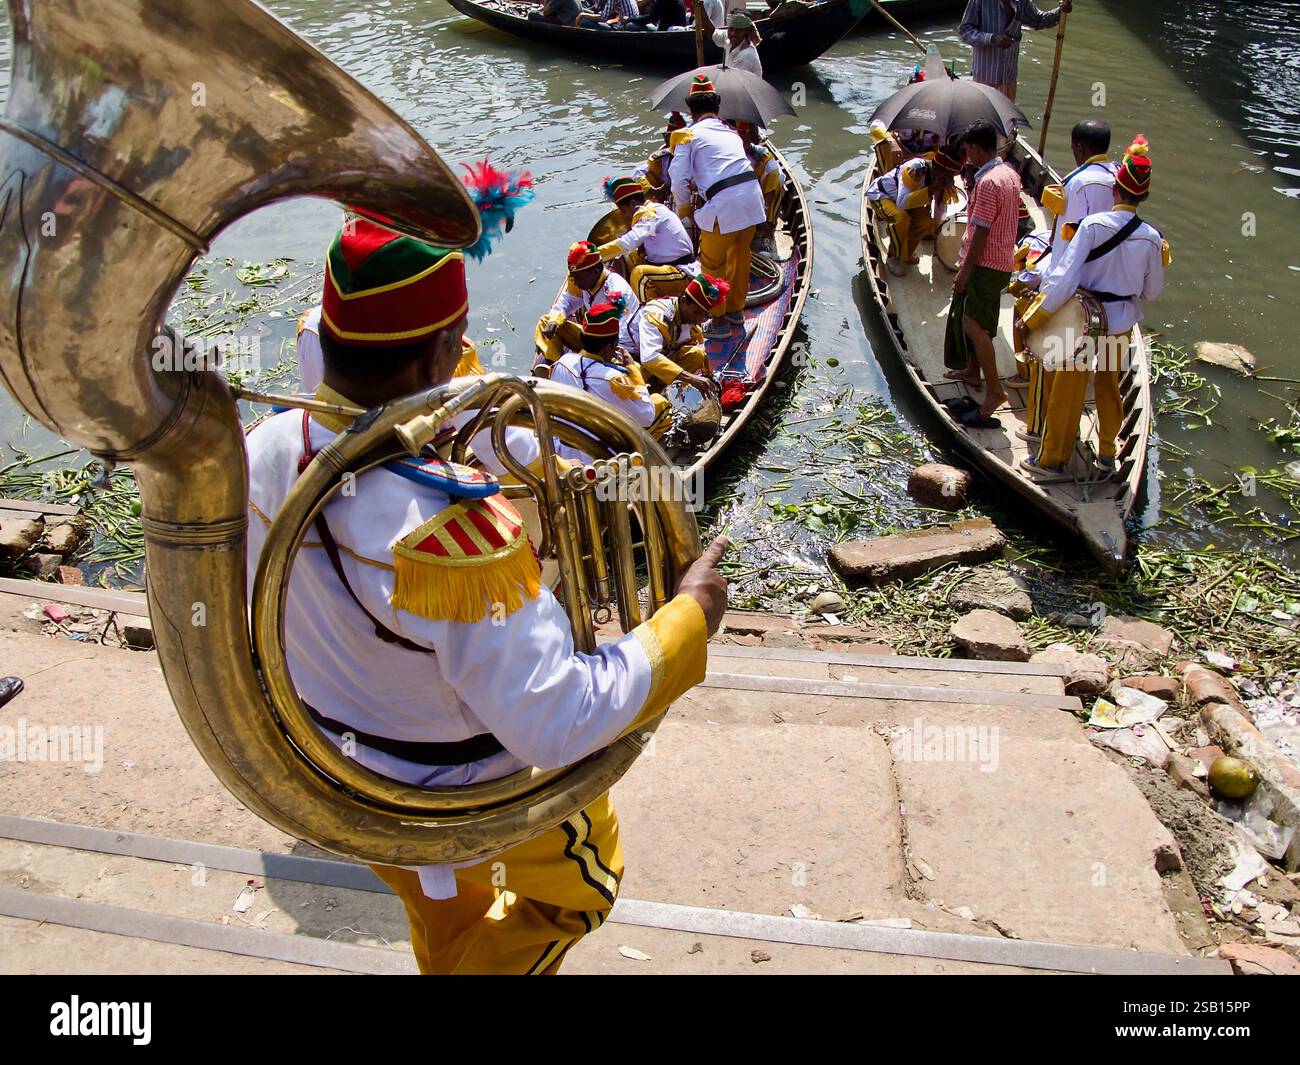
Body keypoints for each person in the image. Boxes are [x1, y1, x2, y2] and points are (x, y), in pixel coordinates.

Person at [246, 210, 730, 975]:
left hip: (341, 778)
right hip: (464, 794)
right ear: (444, 347)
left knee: (445, 912)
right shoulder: (458, 533)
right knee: (585, 885)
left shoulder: (261, 451)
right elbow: (556, 719)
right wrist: (685, 620)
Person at [1020, 135, 1168, 481]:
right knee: (1109, 387)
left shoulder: (1092, 226)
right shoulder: (1152, 238)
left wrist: (1035, 317)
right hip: (1120, 323)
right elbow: (1152, 292)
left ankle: (1052, 461)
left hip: (1085, 321)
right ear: (1143, 196)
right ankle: (1106, 453)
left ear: (1115, 189)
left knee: (1068, 390)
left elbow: (1065, 280)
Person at [1017, 118, 1118, 426]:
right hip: (1108, 291)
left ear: (1078, 147)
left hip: (1075, 287)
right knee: (1093, 368)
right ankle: (1105, 448)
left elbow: (1069, 249)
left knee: (1044, 359)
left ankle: (1037, 428)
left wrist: (1037, 310)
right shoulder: (1120, 177)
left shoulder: (1078, 183)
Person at [668, 75, 767, 338]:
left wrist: (685, 211)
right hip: (752, 200)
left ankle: (718, 321)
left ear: (691, 109)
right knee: (740, 256)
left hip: (725, 205)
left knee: (712, 266)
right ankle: (735, 311)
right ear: (718, 107)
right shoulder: (730, 132)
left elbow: (678, 180)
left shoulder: (687, 135)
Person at [943, 120, 1021, 420]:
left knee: (975, 327)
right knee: (975, 322)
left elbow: (979, 232)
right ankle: (972, 372)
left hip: (985, 264)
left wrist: (964, 270)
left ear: (977, 148)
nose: (967, 156)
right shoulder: (1009, 174)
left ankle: (994, 391)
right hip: (1001, 261)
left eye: (968, 150)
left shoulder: (988, 183)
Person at [550, 298, 673, 456]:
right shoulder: (613, 379)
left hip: (563, 450)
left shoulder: (562, 363)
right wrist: (632, 369)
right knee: (661, 405)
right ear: (610, 346)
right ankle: (642, 457)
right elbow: (646, 416)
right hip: (596, 458)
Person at [535, 240, 640, 370]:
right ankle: (554, 368)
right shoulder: (584, 282)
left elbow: (622, 333)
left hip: (617, 347)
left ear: (594, 272)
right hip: (594, 339)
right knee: (546, 321)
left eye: (578, 278)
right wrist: (555, 321)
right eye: (573, 278)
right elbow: (566, 301)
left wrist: (590, 356)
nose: (575, 283)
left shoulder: (616, 291)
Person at [596, 175, 700, 302]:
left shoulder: (651, 214)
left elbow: (629, 242)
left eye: (623, 211)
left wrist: (594, 254)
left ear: (633, 204)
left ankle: (649, 315)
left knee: (640, 275)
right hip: (669, 270)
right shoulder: (653, 211)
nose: (623, 216)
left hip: (684, 274)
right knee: (632, 258)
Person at [866, 143, 964, 275]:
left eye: (952, 176)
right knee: (901, 218)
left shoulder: (945, 181)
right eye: (948, 175)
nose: (950, 180)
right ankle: (893, 257)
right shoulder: (915, 168)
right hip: (883, 196)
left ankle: (905, 254)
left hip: (906, 201)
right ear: (937, 169)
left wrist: (941, 237)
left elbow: (940, 214)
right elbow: (901, 203)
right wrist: (932, 188)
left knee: (924, 222)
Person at [958, 0, 1071, 102]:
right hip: (984, 78)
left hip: (1008, 79)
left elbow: (1038, 20)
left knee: (1008, 122)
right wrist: (991, 39)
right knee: (983, 121)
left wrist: (1060, 12)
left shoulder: (1021, 2)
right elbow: (965, 31)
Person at [636, 273, 724, 394]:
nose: (700, 320)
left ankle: (663, 391)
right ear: (683, 301)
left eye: (705, 315)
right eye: (697, 313)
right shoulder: (656, 314)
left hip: (661, 359)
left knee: (697, 355)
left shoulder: (687, 317)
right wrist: (691, 378)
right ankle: (652, 398)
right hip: (636, 361)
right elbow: (649, 358)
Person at [719, 12, 763, 76]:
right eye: (731, 29)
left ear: (745, 32)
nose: (733, 33)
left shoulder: (745, 55)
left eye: (737, 30)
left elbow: (734, 82)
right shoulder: (729, 42)